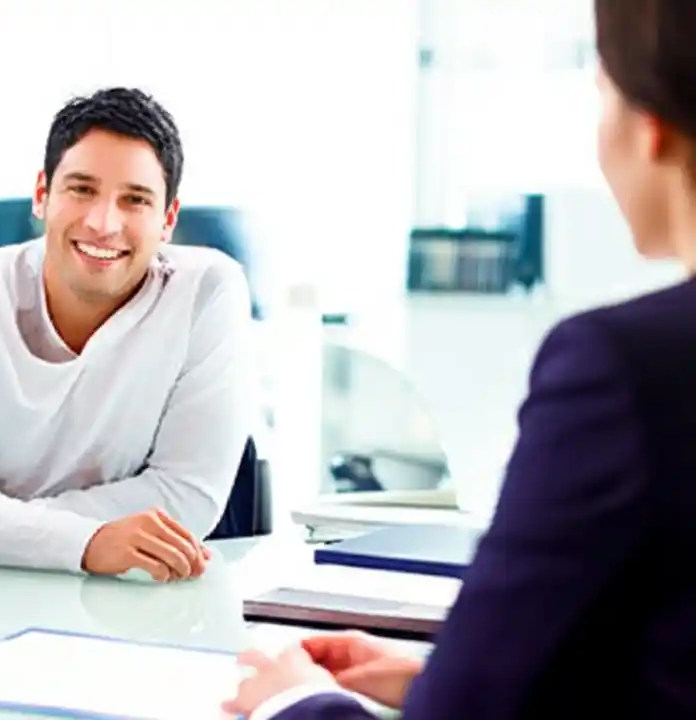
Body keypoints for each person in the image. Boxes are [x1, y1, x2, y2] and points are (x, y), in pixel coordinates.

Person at [224, 1, 696, 718]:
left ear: (650, 125)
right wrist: (434, 681)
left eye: (601, 95)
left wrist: (291, 704)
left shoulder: (622, 369)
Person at [0, 87, 254, 580]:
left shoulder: (205, 292)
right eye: (82, 189)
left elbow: (188, 499)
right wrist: (91, 542)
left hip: (119, 607)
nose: (103, 223)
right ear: (41, 194)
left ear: (167, 220)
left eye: (135, 200)